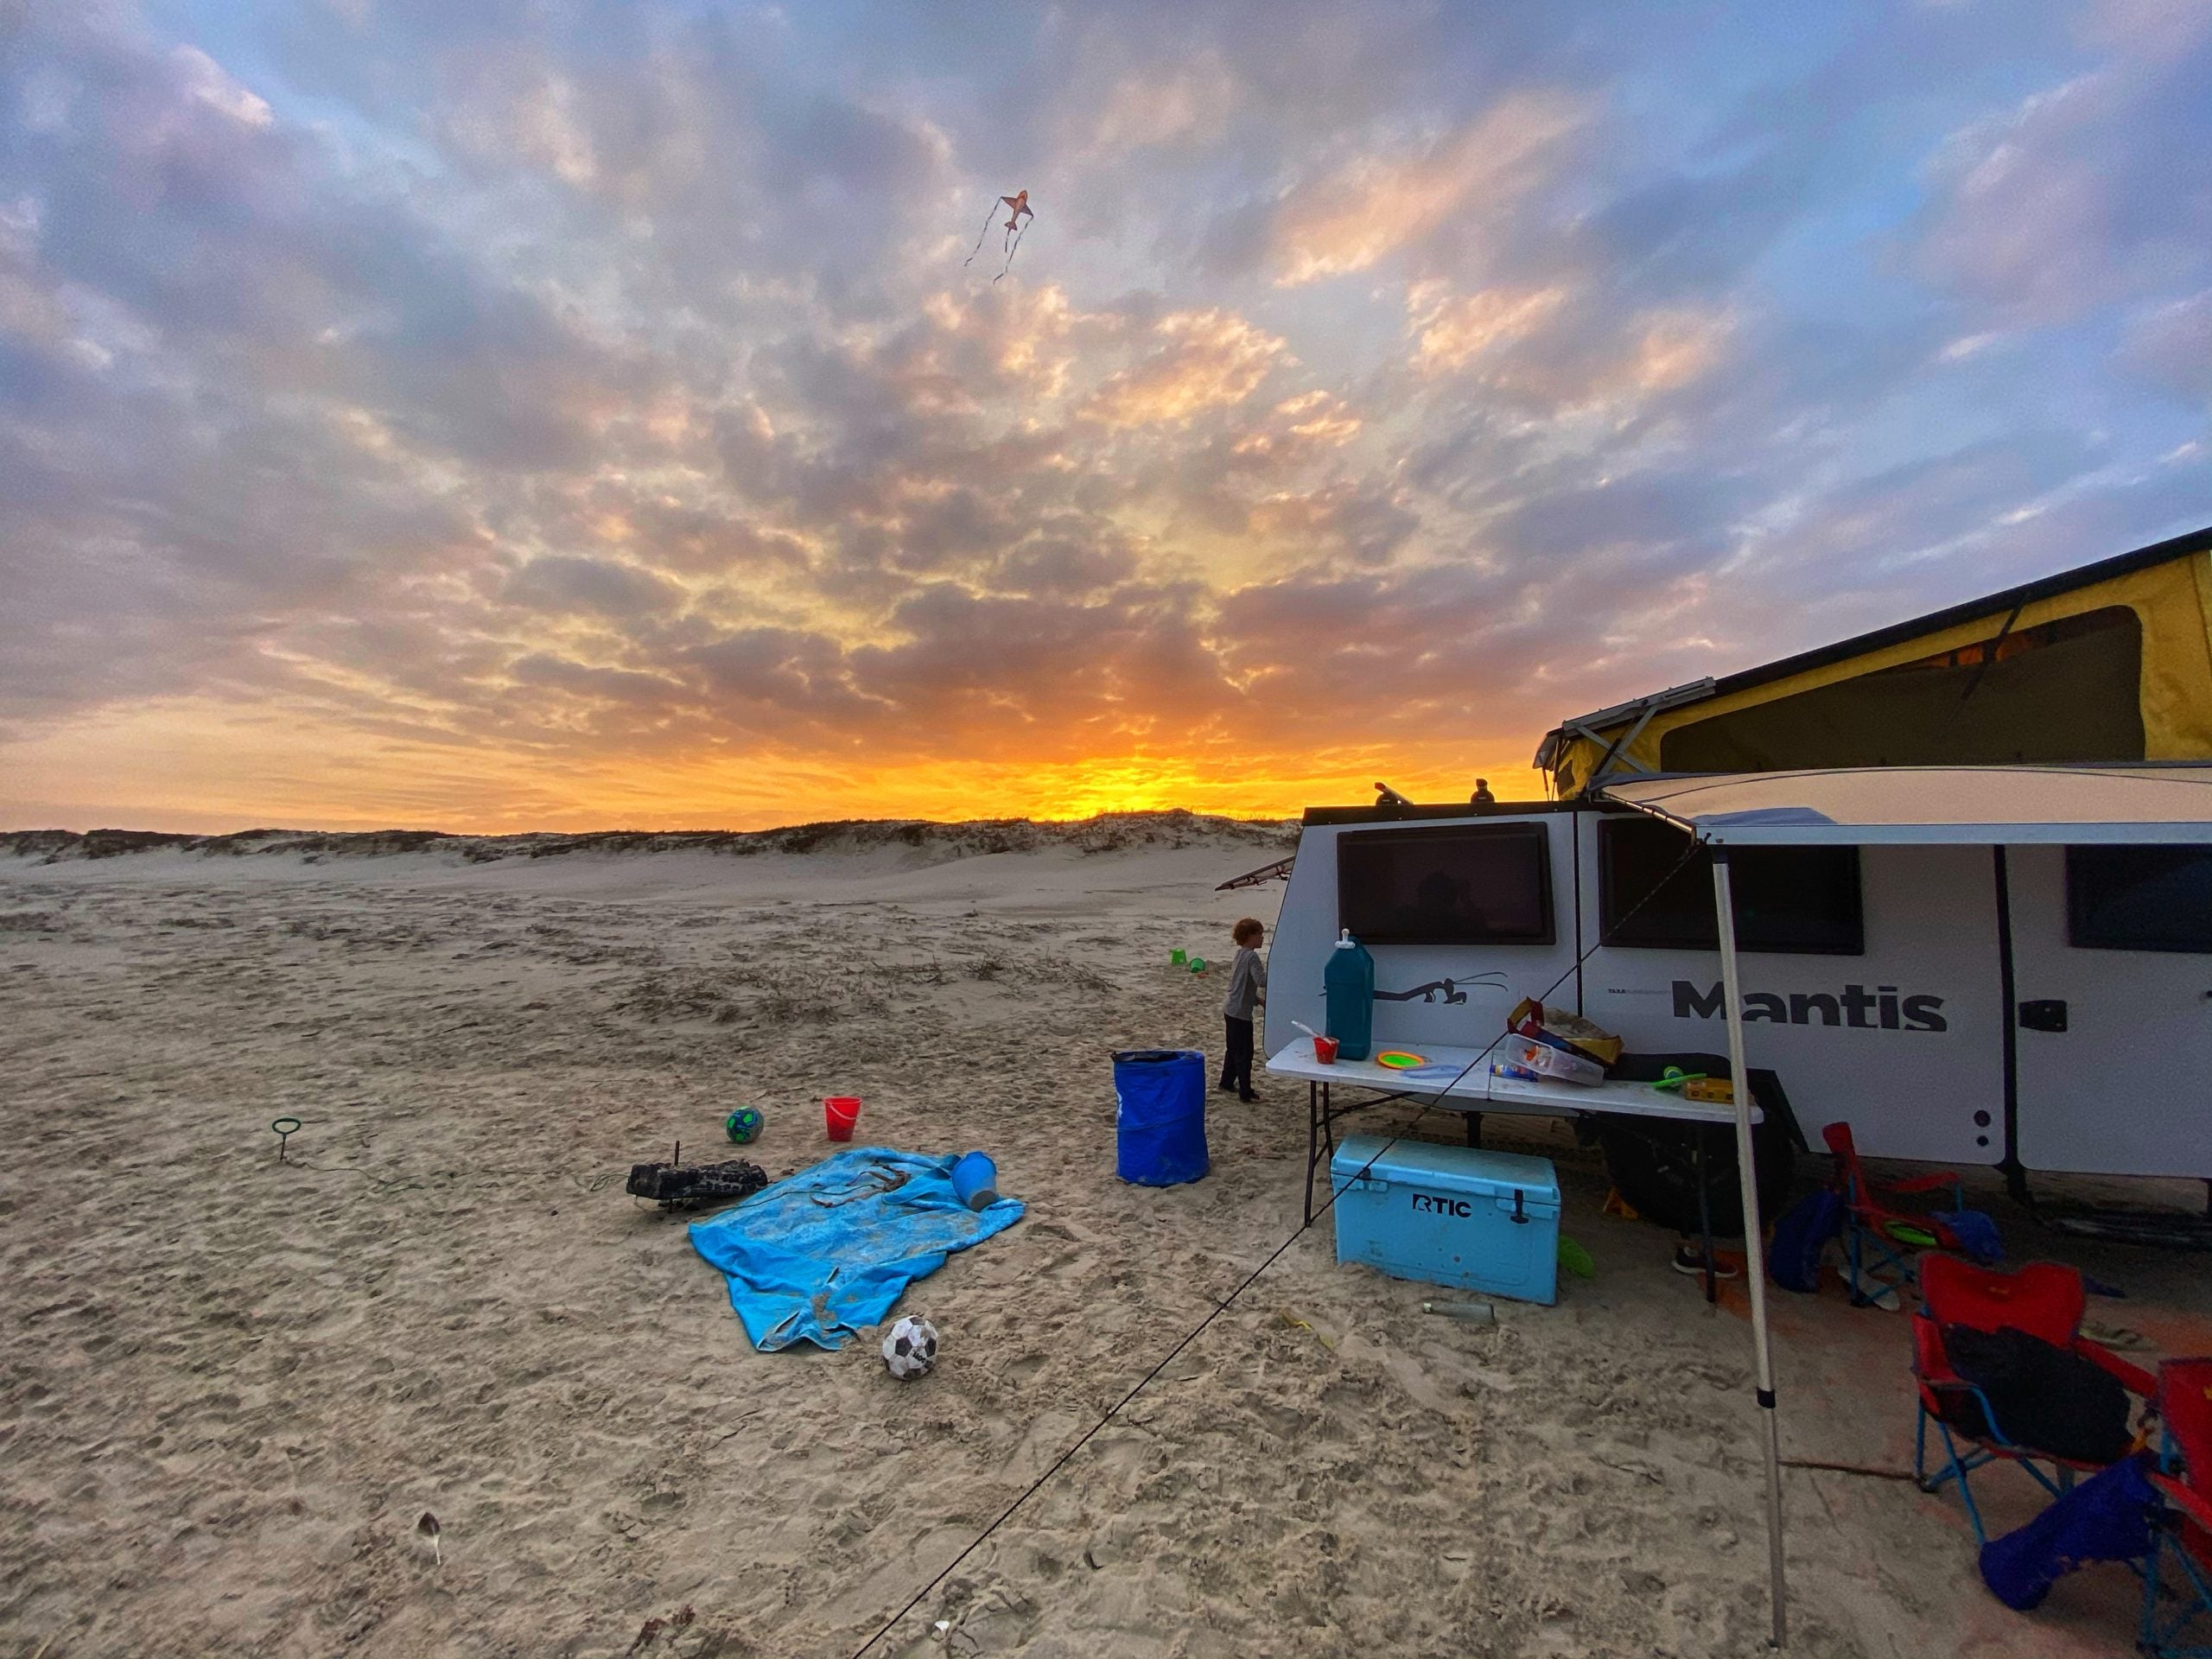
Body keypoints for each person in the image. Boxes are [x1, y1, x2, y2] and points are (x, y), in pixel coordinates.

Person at [1218, 918, 1267, 1102]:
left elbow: (1241, 984)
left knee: (1233, 1048)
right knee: (1244, 1053)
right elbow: (1260, 981)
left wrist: (1258, 1001)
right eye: (1259, 934)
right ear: (1249, 936)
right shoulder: (1252, 957)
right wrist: (1279, 975)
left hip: (1230, 1007)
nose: (1262, 938)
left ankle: (1227, 1082)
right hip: (1240, 1013)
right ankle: (1246, 1093)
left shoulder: (1240, 954)